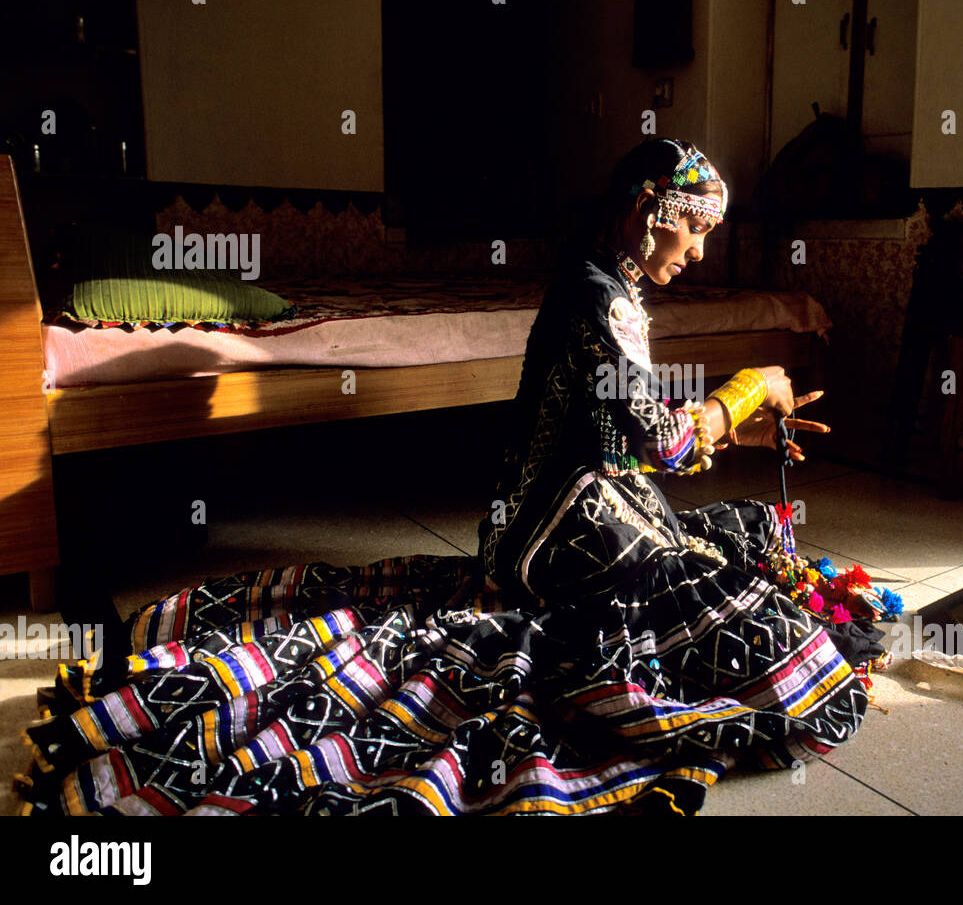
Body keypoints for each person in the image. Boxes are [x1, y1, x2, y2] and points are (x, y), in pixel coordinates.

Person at [17, 139, 882, 817]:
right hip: (558, 530)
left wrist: (738, 415)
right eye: (694, 228)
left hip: (544, 513)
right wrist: (748, 387)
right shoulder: (600, 300)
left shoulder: (602, 287)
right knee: (738, 614)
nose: (698, 251)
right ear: (650, 209)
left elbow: (640, 437)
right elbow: (660, 443)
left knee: (730, 544)